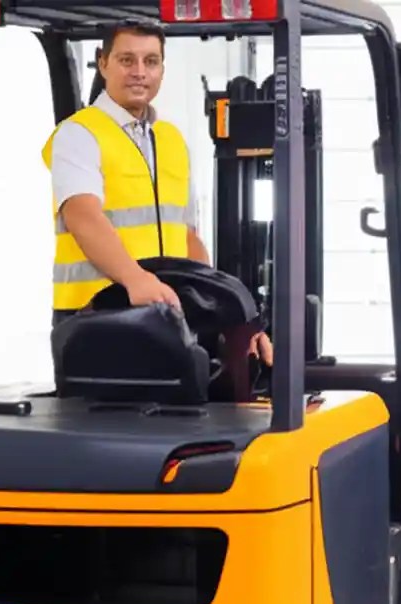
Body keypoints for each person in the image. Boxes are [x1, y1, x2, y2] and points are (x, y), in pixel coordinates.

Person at [41, 20, 272, 364]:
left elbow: (187, 236)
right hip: (96, 317)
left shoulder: (170, 140)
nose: (139, 72)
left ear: (162, 68)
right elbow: (82, 215)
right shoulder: (79, 135)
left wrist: (233, 320)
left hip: (164, 316)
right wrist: (136, 279)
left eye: (150, 61)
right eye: (126, 60)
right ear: (103, 62)